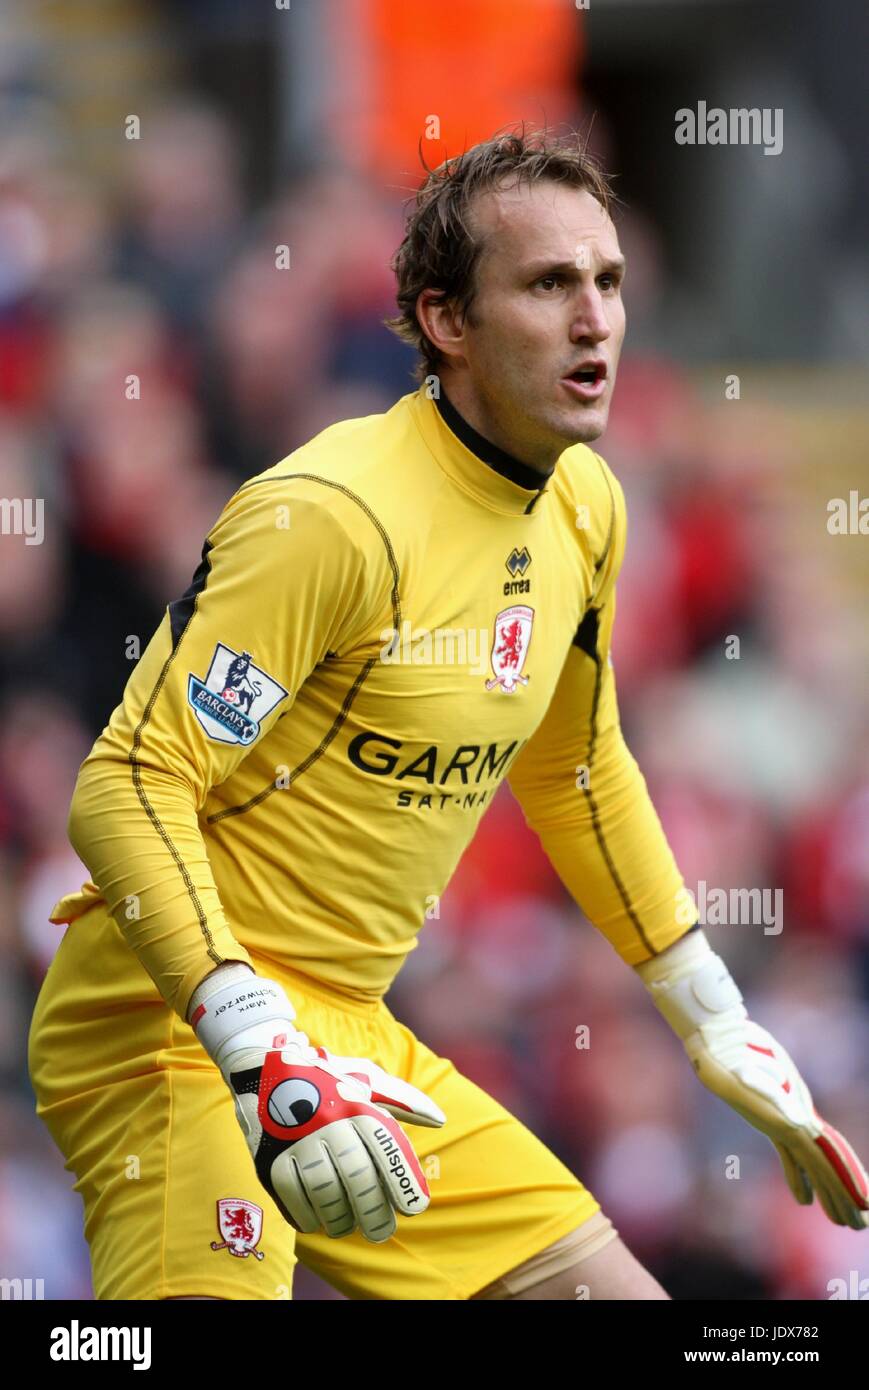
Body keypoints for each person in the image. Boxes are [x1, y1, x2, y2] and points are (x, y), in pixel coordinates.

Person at [28, 128, 868, 1303]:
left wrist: (709, 1014)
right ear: (444, 322)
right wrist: (252, 1043)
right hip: (171, 1022)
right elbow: (124, 785)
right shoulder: (329, 514)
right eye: (546, 284)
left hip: (350, 1037)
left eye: (607, 282)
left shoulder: (585, 504)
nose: (593, 319)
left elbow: (576, 769)